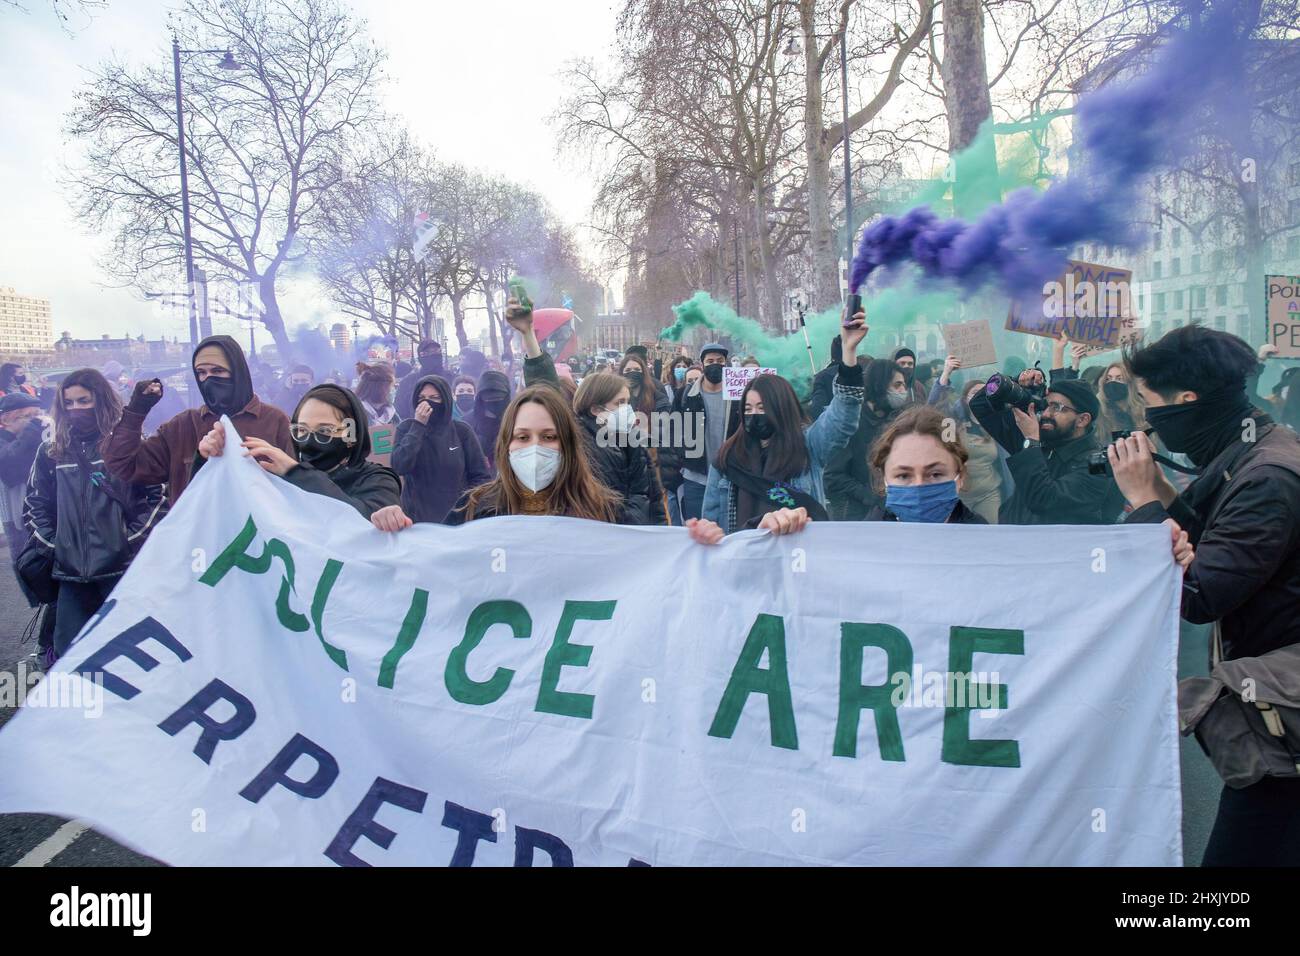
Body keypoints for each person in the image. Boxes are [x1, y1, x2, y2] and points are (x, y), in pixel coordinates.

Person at [1109, 325, 1300, 867]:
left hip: (1284, 717)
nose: (1145, 420)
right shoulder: (1255, 447)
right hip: (1276, 707)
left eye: (1147, 403)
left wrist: (1146, 501)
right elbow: (1223, 543)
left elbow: (1200, 593)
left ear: (1186, 402)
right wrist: (1168, 495)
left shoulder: (1268, 476)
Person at [24, 369, 167, 659]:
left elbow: (158, 496)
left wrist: (128, 541)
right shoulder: (51, 450)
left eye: (84, 401)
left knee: (132, 656)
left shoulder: (130, 443)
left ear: (100, 400)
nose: (76, 409)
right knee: (73, 659)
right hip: (71, 576)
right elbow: (35, 503)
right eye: (70, 403)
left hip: (123, 572)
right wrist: (56, 546)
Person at [693, 313, 867, 536]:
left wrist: (849, 353)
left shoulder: (808, 447)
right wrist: (705, 535)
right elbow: (712, 521)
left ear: (780, 408)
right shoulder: (727, 458)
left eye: (762, 407)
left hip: (797, 557)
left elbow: (842, 416)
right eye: (748, 409)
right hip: (744, 560)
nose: (754, 415)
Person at [105, 335, 294, 506]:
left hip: (260, 539)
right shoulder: (182, 426)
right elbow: (124, 465)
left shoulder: (275, 421)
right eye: (202, 373)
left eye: (218, 371)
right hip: (197, 540)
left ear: (237, 372)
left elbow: (295, 485)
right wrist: (137, 410)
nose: (208, 379)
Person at [198, 383, 405, 528]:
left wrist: (296, 473)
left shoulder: (378, 480)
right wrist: (210, 459)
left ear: (352, 435)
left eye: (325, 430)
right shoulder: (277, 478)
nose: (309, 440)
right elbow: (216, 516)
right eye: (302, 431)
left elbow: (357, 521)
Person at [445, 385, 621, 524]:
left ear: (568, 444)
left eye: (548, 437)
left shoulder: (604, 511)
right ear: (507, 444)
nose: (535, 447)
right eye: (523, 437)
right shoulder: (472, 508)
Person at [970, 375, 1124, 525]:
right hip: (1012, 541)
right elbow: (979, 404)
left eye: (1056, 407)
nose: (1045, 414)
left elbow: (1045, 500)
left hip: (1053, 548)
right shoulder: (1039, 438)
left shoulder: (1099, 464)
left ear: (1082, 420)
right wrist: (1015, 382)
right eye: (1045, 405)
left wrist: (1031, 443)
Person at [390, 375, 490, 524]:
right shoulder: (406, 428)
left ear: (445, 400)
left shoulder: (461, 431)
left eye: (434, 398)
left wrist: (466, 506)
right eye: (421, 398)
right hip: (417, 521)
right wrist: (418, 426)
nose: (427, 403)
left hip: (457, 520)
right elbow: (400, 466)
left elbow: (481, 476)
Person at [864, 405, 986, 524]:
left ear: (960, 477)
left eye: (936, 474)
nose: (919, 486)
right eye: (904, 476)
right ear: (885, 480)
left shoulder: (984, 539)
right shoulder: (865, 539)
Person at [824, 359, 911, 520]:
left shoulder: (895, 421)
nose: (903, 391)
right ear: (879, 385)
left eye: (904, 385)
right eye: (897, 385)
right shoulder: (850, 424)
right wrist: (871, 496)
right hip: (855, 516)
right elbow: (832, 477)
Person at [677, 343, 739, 521]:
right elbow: (672, 432)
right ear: (702, 364)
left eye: (720, 361)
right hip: (696, 478)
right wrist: (683, 458)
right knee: (699, 533)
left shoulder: (738, 396)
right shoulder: (686, 395)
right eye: (710, 361)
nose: (715, 364)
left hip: (731, 477)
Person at [953, 379, 1010, 523]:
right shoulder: (952, 424)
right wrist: (946, 374)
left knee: (991, 536)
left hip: (988, 493)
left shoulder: (996, 423)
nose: (979, 395)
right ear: (965, 399)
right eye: (974, 392)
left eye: (983, 392)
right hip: (959, 495)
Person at [0, 393, 46, 567]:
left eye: (37, 415)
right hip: (15, 519)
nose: (35, 421)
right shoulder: (8, 439)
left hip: (38, 511)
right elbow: (9, 467)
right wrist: (32, 431)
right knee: (27, 565)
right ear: (6, 419)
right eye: (29, 416)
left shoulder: (33, 438)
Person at [469, 368, 513, 473]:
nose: (493, 400)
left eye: (498, 396)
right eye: (488, 397)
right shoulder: (468, 422)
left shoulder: (516, 420)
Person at [396, 340, 445, 412]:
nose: (432, 355)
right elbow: (399, 410)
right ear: (419, 358)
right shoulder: (407, 382)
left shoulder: (454, 379)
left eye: (436, 351)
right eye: (427, 353)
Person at [354, 362, 399, 426]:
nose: (393, 390)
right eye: (391, 386)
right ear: (379, 389)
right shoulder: (357, 414)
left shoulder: (390, 412)